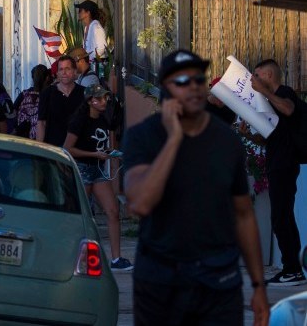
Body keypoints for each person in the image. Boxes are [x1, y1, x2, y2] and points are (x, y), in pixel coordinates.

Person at [122, 49, 269, 325]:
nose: (192, 86)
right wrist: (174, 139)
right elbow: (141, 203)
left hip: (218, 282)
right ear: (165, 89)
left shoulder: (226, 142)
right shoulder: (143, 136)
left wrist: (259, 285)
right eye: (182, 81)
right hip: (161, 284)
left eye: (198, 79)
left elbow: (244, 215)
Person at [64, 84, 131, 271]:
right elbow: (67, 148)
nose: (104, 101)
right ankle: (75, 258)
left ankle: (116, 259)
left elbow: (100, 145)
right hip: (82, 169)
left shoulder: (102, 119)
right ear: (90, 101)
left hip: (98, 169)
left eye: (105, 98)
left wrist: (111, 153)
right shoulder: (79, 120)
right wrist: (95, 155)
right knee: (82, 215)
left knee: (113, 211)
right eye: (100, 98)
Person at [252, 58, 305, 284]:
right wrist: (248, 134)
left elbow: (289, 108)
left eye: (257, 74)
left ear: (269, 75)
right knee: (284, 217)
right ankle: (293, 268)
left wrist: (263, 91)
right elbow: (271, 138)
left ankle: (292, 269)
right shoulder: (270, 102)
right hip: (277, 163)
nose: (254, 79)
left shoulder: (284, 93)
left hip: (285, 164)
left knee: (280, 217)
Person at [34, 54, 84, 148]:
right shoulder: (47, 93)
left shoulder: (84, 93)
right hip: (53, 150)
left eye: (67, 69)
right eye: (61, 69)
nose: (64, 72)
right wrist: (39, 149)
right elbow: (41, 123)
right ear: (57, 73)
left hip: (79, 151)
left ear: (74, 71)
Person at [12, 63, 49, 139]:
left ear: (32, 78)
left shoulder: (24, 94)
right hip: (43, 139)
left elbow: (13, 113)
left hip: (23, 138)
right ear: (47, 78)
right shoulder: (49, 96)